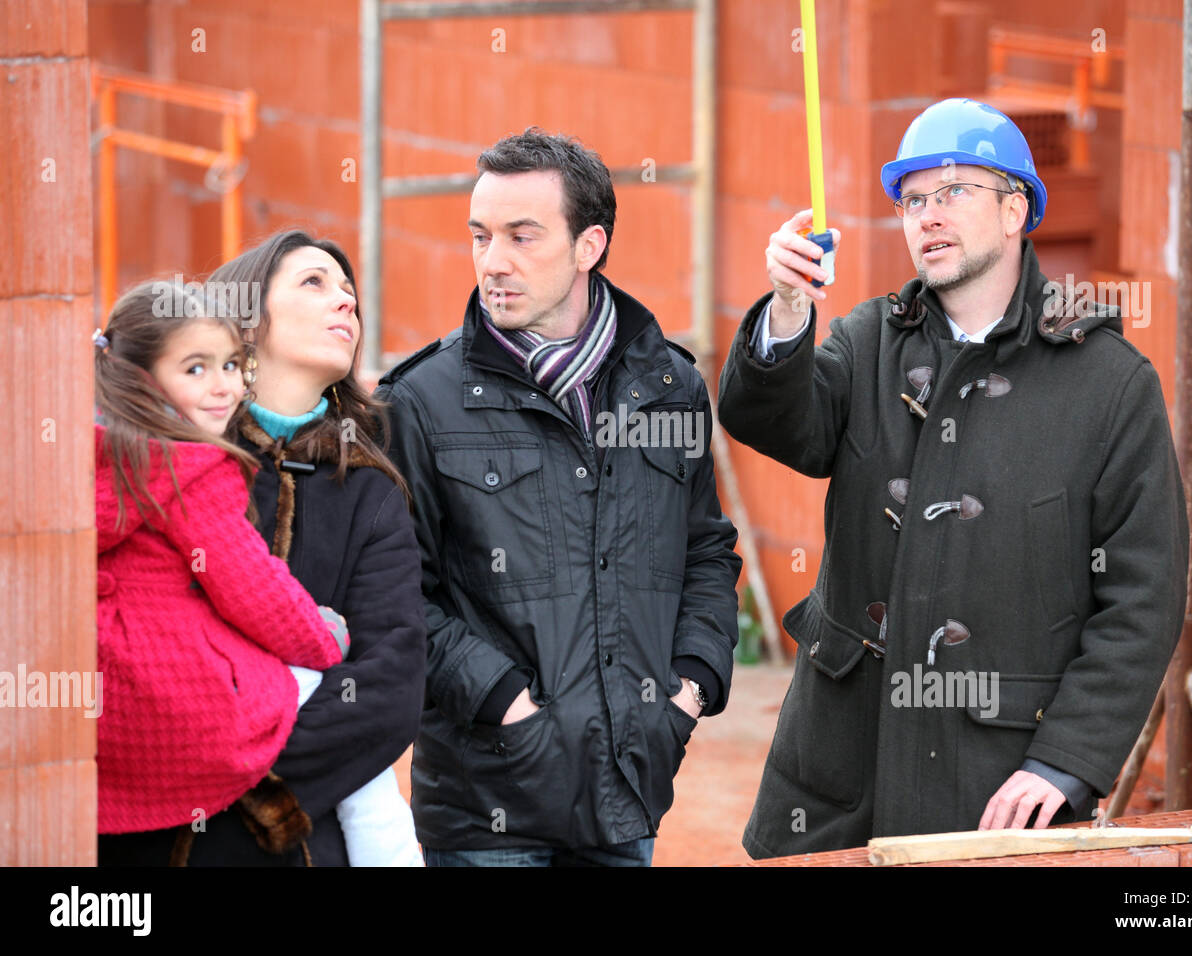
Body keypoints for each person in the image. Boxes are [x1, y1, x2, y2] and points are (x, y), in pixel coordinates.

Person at [717, 98, 1190, 858]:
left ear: (1016, 211)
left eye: (954, 192)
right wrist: (788, 311)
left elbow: (1145, 595)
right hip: (840, 776)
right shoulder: (866, 341)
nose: (927, 216)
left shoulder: (1108, 384)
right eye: (913, 200)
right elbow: (776, 425)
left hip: (995, 788)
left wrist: (1066, 761)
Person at [376, 128, 743, 866]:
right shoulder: (419, 401)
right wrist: (508, 706)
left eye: (522, 236)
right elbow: (396, 596)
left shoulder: (669, 385)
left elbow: (704, 551)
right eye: (480, 236)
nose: (493, 262)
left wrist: (689, 691)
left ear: (589, 245)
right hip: (486, 807)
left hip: (628, 788)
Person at [98, 233, 426, 866]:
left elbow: (389, 687)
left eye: (349, 290)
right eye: (314, 283)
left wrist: (238, 781)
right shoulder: (151, 466)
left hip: (290, 844)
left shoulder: (368, 490)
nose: (346, 301)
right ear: (242, 316)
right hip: (136, 843)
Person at [93, 280, 345, 859]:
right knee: (333, 700)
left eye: (231, 364)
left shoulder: (85, 460)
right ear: (140, 379)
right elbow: (255, 593)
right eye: (196, 369)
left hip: (101, 706)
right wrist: (324, 635)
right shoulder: (190, 470)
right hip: (177, 699)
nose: (223, 387)